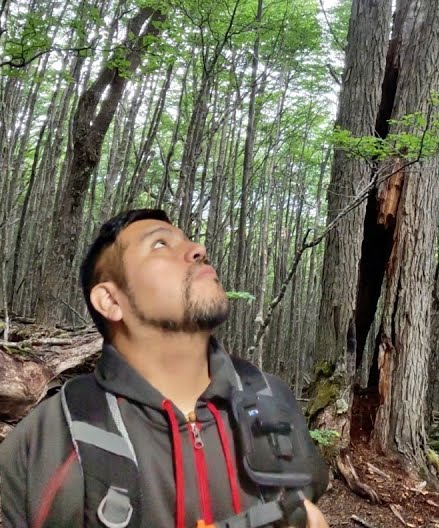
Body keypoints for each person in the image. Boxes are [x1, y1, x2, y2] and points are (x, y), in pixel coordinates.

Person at [0, 209, 330, 527]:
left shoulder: (273, 402)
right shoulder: (50, 440)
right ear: (111, 301)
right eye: (160, 244)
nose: (198, 249)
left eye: (189, 240)